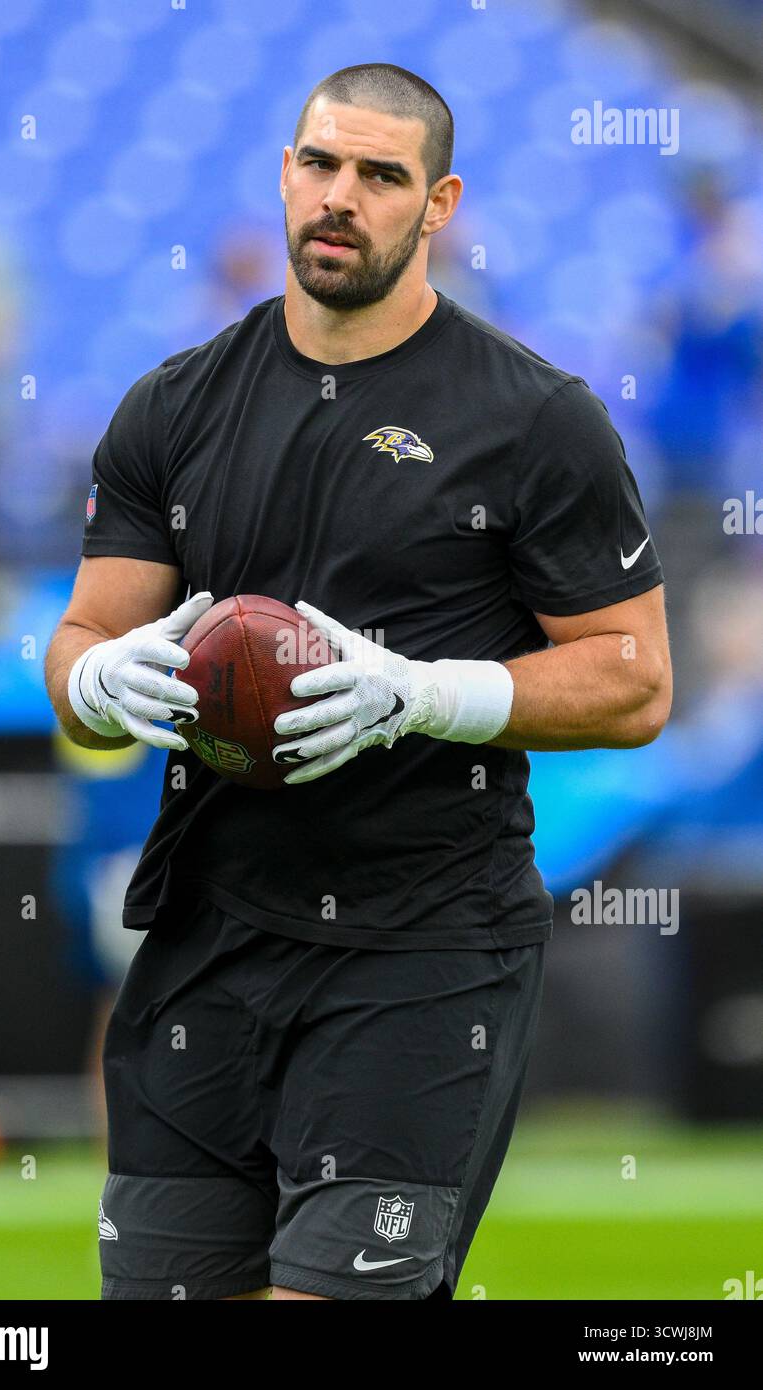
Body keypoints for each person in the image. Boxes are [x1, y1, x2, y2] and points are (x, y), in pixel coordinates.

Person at [45, 64, 672, 1302]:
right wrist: (104, 677)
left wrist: (430, 693)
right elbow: (76, 649)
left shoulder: (535, 419)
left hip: (421, 946)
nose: (341, 198)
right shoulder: (167, 408)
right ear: (285, 173)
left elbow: (635, 683)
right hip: (208, 933)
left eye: (380, 176)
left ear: (435, 204)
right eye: (321, 164)